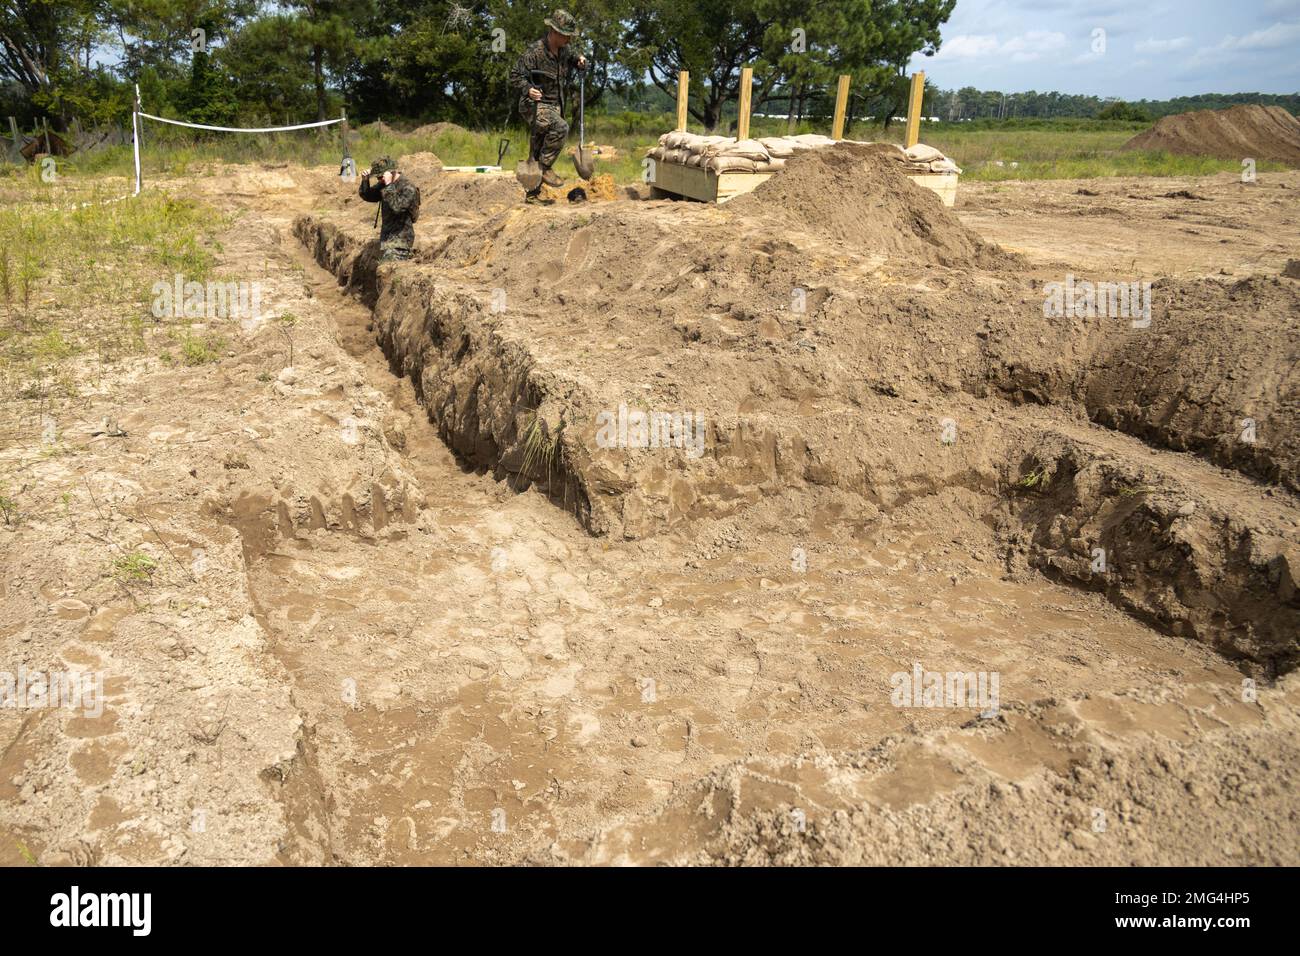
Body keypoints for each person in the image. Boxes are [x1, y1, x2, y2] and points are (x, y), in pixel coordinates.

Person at [510, 9, 587, 201]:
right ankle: (544, 169)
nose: (569, 40)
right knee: (561, 127)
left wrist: (580, 59)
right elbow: (514, 75)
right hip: (533, 104)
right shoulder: (534, 52)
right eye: (566, 36)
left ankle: (532, 194)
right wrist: (528, 88)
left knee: (538, 146)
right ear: (554, 32)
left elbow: (574, 56)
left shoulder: (565, 50)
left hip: (554, 105)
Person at [358, 156, 421, 261]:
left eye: (380, 177)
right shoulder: (384, 184)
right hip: (387, 239)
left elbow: (397, 207)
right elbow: (369, 196)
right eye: (377, 178)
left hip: (401, 241)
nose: (379, 180)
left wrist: (388, 186)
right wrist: (365, 180)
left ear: (391, 172)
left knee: (387, 268)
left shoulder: (408, 187)